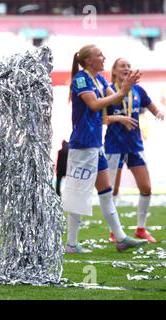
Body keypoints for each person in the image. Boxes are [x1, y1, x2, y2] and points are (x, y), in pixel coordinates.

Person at [61, 44, 148, 253]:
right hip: (82, 145)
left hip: (95, 144)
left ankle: (120, 239)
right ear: (90, 60)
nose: (104, 57)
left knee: (106, 192)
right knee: (79, 193)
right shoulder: (81, 79)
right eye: (100, 55)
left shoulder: (98, 79)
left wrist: (126, 88)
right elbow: (94, 104)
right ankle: (71, 244)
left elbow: (115, 99)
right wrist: (124, 90)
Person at [105, 58, 165, 243]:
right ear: (114, 71)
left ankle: (141, 229)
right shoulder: (107, 89)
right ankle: (114, 231)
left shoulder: (138, 90)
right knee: (112, 190)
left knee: (146, 187)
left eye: (129, 66)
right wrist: (119, 119)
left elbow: (152, 107)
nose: (127, 68)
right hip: (114, 145)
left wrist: (159, 113)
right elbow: (100, 117)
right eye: (122, 66)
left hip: (135, 145)